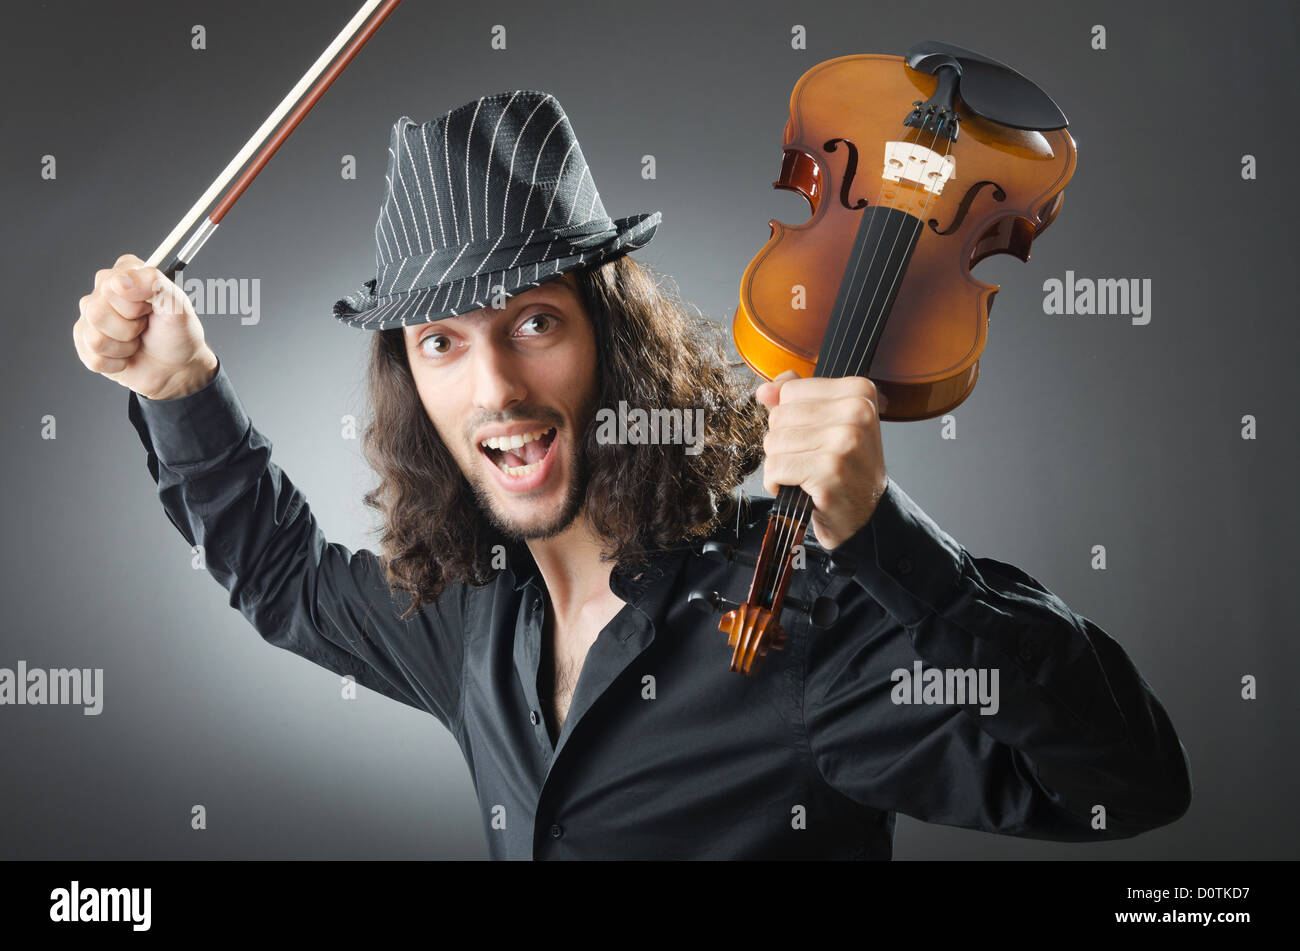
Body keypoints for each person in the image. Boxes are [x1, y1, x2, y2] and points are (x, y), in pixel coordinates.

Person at [72, 90, 1191, 859]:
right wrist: (178, 388)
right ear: (413, 383)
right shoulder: (467, 614)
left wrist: (890, 542)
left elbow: (1126, 783)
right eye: (442, 343)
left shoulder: (800, 614)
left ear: (616, 343)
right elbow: (285, 584)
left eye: (535, 322)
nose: (496, 387)